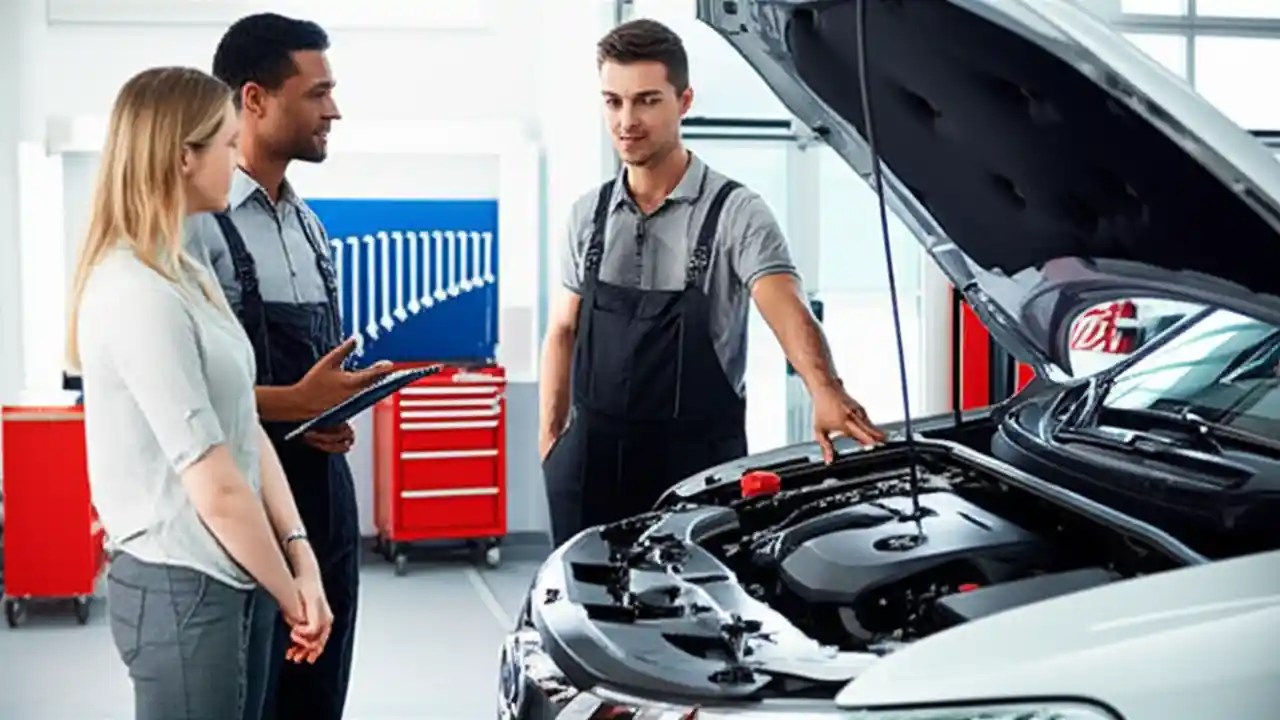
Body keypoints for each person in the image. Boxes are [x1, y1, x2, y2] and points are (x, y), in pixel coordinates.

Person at [538, 19, 887, 547]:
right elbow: (564, 330)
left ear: (684, 101)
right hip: (588, 470)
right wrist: (550, 440)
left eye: (647, 101)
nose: (627, 121)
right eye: (614, 102)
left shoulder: (737, 214)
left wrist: (824, 388)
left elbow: (786, 307)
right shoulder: (587, 215)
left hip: (695, 472)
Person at [67, 66, 333, 720]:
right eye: (226, 143)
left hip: (241, 572)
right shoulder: (137, 292)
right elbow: (214, 485)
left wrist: (300, 556)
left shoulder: (185, 272)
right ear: (184, 157)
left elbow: (242, 425)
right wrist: (294, 594)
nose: (237, 158)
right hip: (182, 588)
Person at [182, 13, 385, 720]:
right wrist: (293, 403)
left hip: (324, 497)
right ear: (255, 99)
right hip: (240, 501)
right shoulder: (196, 228)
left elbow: (308, 378)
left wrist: (329, 411)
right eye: (317, 92)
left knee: (319, 694)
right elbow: (187, 390)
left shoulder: (309, 226)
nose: (334, 110)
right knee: (253, 697)